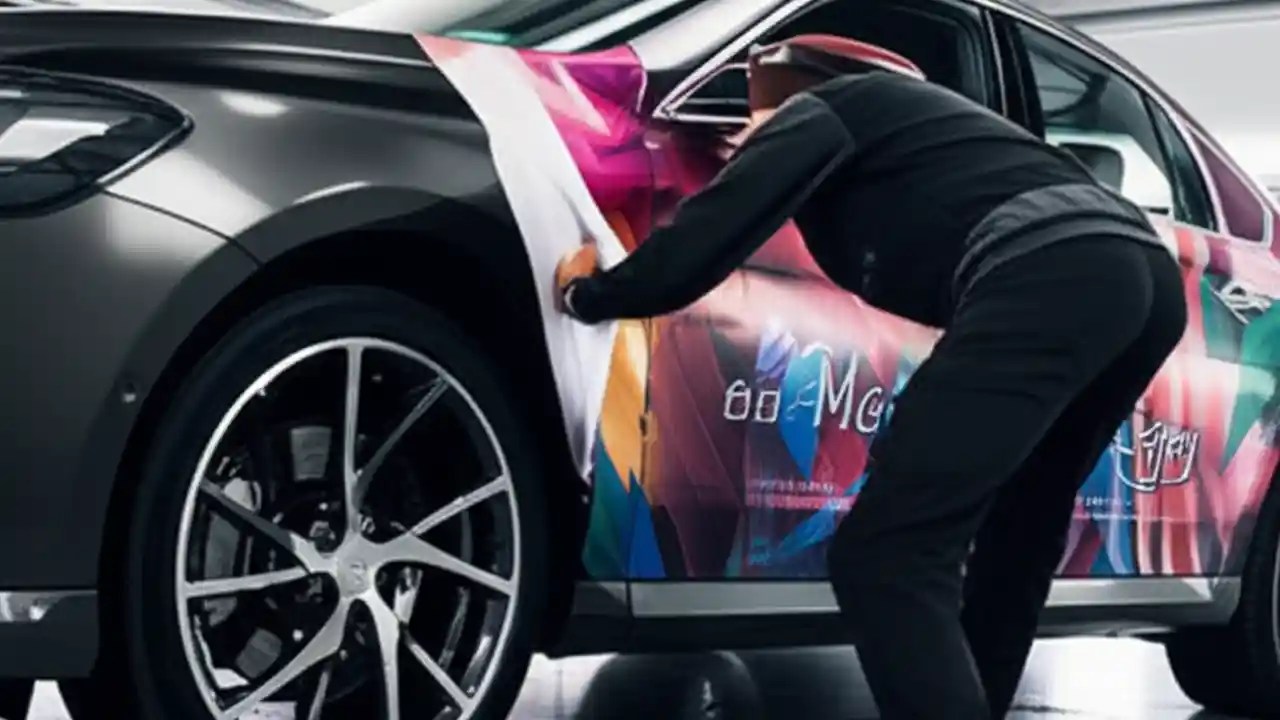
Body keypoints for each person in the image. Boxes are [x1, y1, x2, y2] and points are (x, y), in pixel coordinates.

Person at [554, 33, 1186, 719]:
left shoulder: (827, 109)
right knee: (1020, 530)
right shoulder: (919, 136)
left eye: (752, 108)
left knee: (887, 550)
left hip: (1055, 266)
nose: (743, 129)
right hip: (1140, 280)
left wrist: (597, 294)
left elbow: (707, 238)